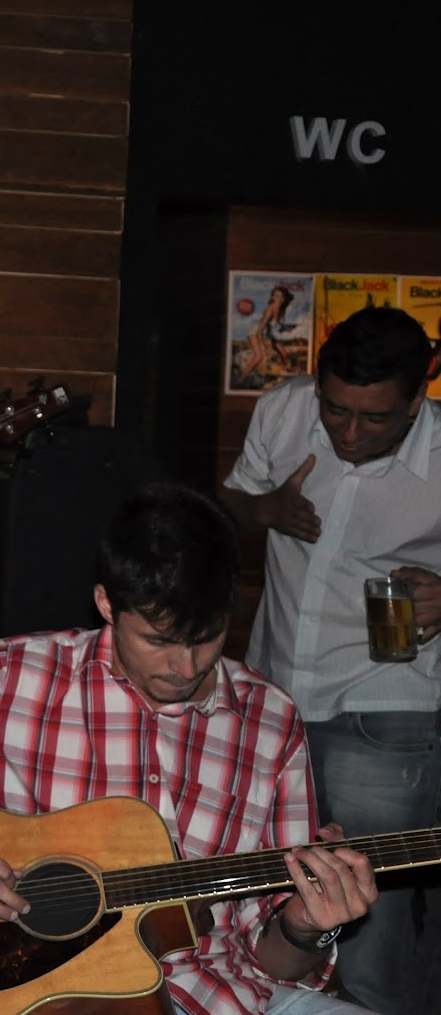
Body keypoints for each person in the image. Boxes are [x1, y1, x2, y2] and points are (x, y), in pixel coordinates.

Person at [0, 483, 380, 1015]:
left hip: (216, 995)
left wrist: (304, 928)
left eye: (206, 637)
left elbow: (269, 962)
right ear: (107, 604)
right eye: (159, 640)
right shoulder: (22, 677)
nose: (184, 666)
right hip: (32, 994)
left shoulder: (269, 722)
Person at [219, 305, 441, 1015]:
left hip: (388, 702)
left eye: (376, 420)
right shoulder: (282, 409)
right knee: (264, 895)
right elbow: (233, 499)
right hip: (270, 695)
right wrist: (265, 512)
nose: (349, 434)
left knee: (367, 914)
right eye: (335, 410)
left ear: (419, 395)